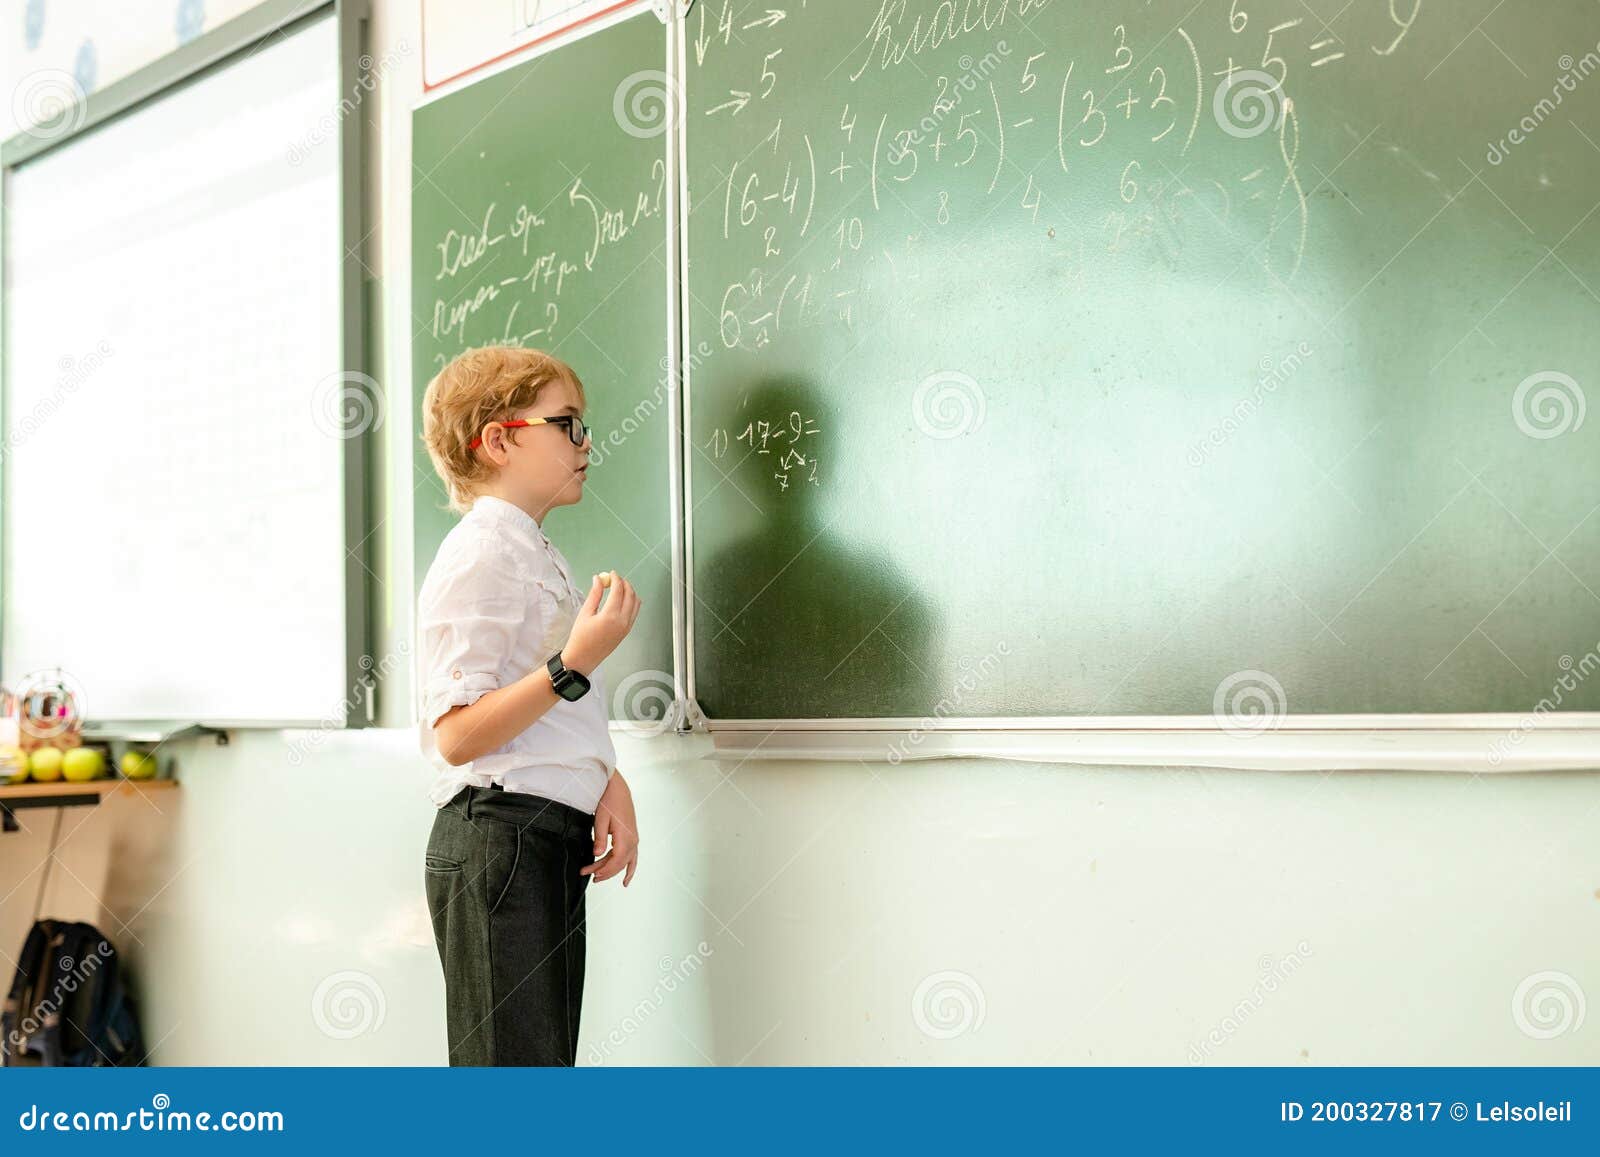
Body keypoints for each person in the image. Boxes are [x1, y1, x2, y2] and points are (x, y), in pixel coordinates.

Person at [416, 345, 641, 1066]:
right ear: (500, 440)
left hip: (538, 838)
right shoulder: (482, 552)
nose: (587, 443)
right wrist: (573, 660)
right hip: (499, 839)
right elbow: (456, 734)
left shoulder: (534, 551)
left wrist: (607, 777)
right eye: (568, 423)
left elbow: (541, 710)